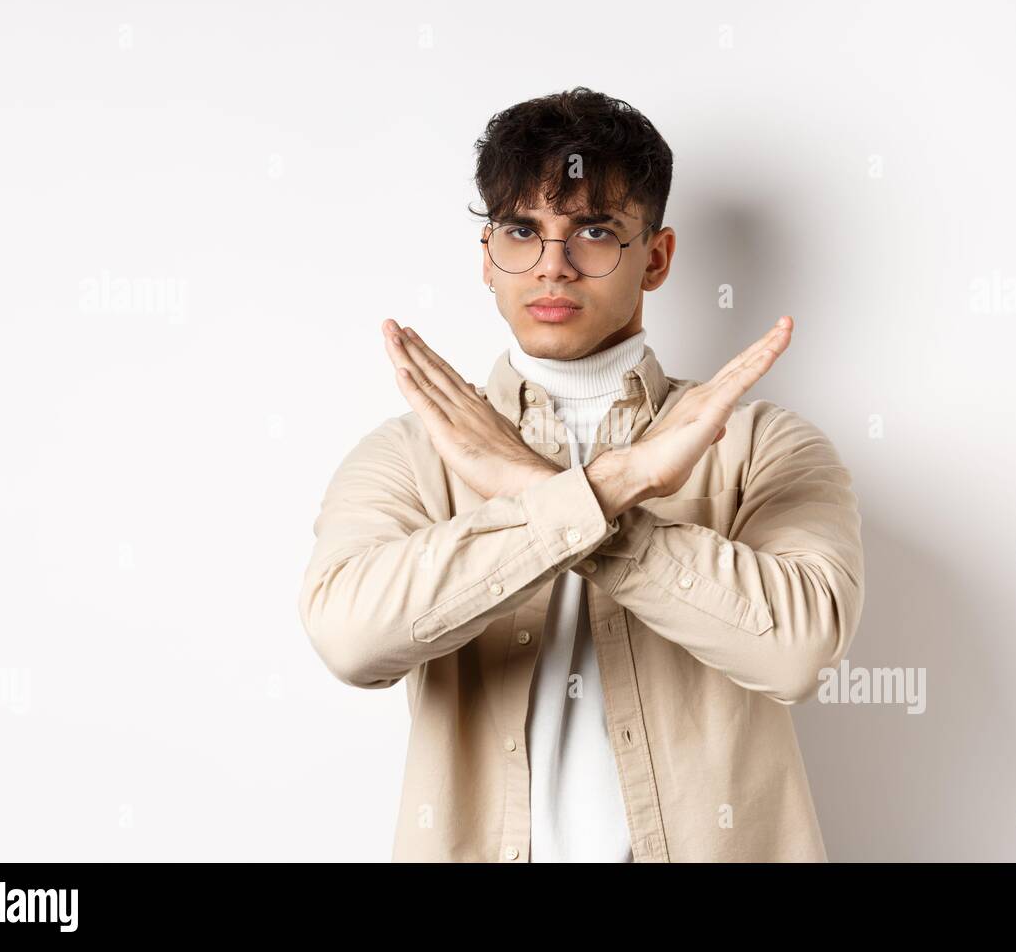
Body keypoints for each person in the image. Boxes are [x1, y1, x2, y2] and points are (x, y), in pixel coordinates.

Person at [297, 87, 865, 862]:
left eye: (594, 232)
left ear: (656, 258)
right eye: (521, 232)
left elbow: (797, 652)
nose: (553, 267)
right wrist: (600, 492)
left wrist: (539, 496)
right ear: (488, 259)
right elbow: (350, 640)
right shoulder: (409, 454)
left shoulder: (765, 445)